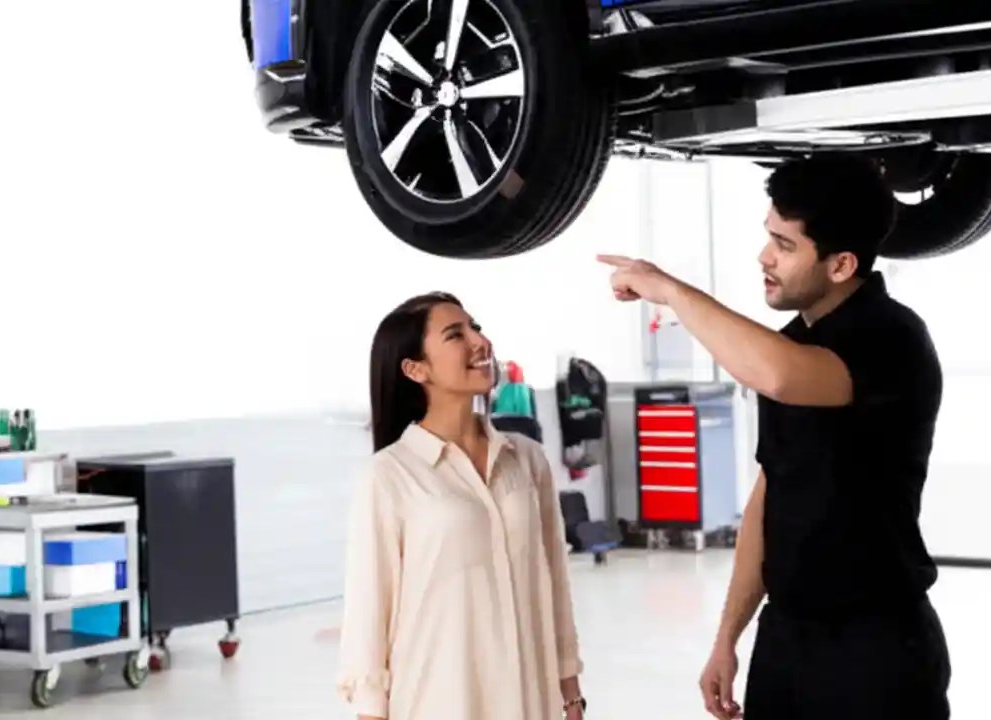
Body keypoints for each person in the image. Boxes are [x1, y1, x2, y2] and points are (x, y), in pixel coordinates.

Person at [599, 155, 950, 720]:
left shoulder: (892, 337)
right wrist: (727, 637)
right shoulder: (790, 340)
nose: (764, 257)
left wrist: (669, 290)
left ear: (840, 265)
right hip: (786, 638)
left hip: (876, 646)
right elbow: (771, 496)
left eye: (785, 245)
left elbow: (783, 374)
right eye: (768, 237)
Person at [337, 291, 588, 720]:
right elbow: (367, 619)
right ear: (416, 369)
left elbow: (555, 585)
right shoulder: (389, 475)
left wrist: (570, 696)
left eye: (477, 328)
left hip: (531, 702)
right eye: (456, 334)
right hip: (438, 702)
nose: (479, 342)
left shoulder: (526, 459)